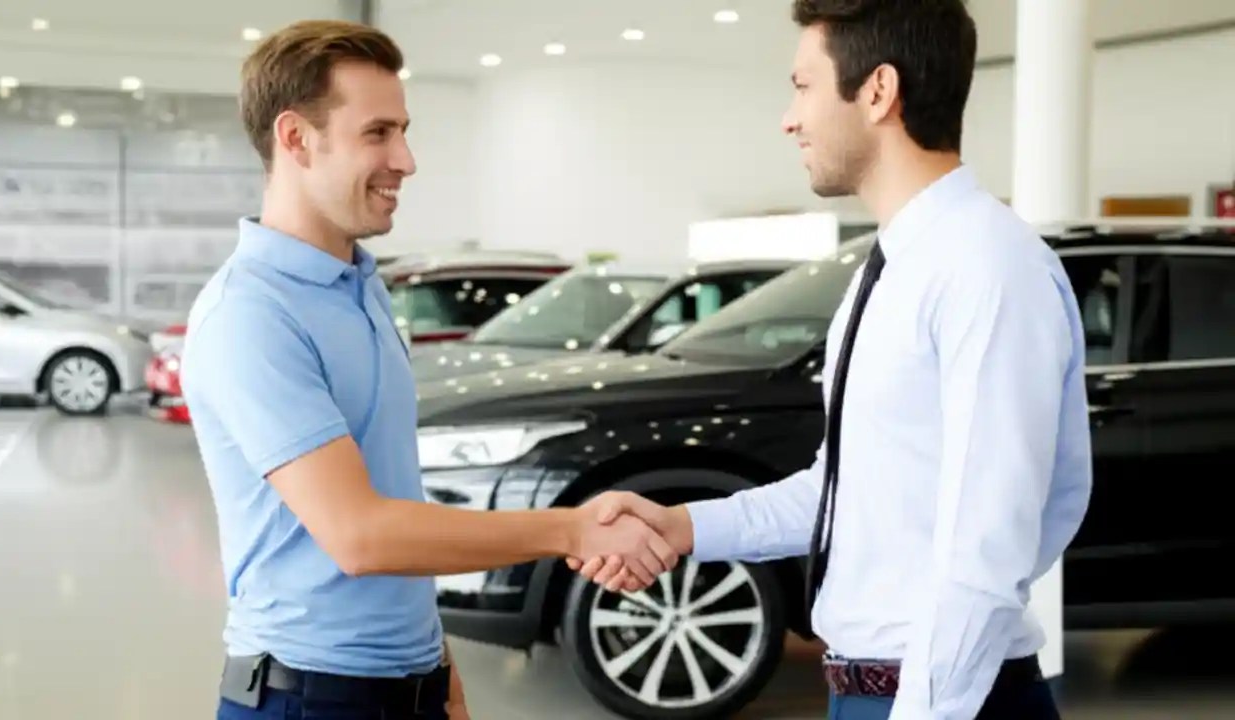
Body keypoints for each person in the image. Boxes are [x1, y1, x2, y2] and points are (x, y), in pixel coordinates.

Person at [570, 1, 1092, 718]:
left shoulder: (986, 266)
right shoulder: (893, 266)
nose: (789, 118)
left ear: (878, 91)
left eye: (803, 85)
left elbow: (989, 542)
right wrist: (685, 527)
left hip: (947, 698)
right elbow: (849, 489)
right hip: (874, 689)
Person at [180, 20, 678, 720]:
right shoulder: (251, 315)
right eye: (378, 133)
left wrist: (436, 670)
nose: (406, 160)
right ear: (295, 138)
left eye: (404, 131)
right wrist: (570, 530)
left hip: (404, 687)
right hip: (308, 699)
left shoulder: (360, 285)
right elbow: (360, 535)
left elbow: (391, 496)